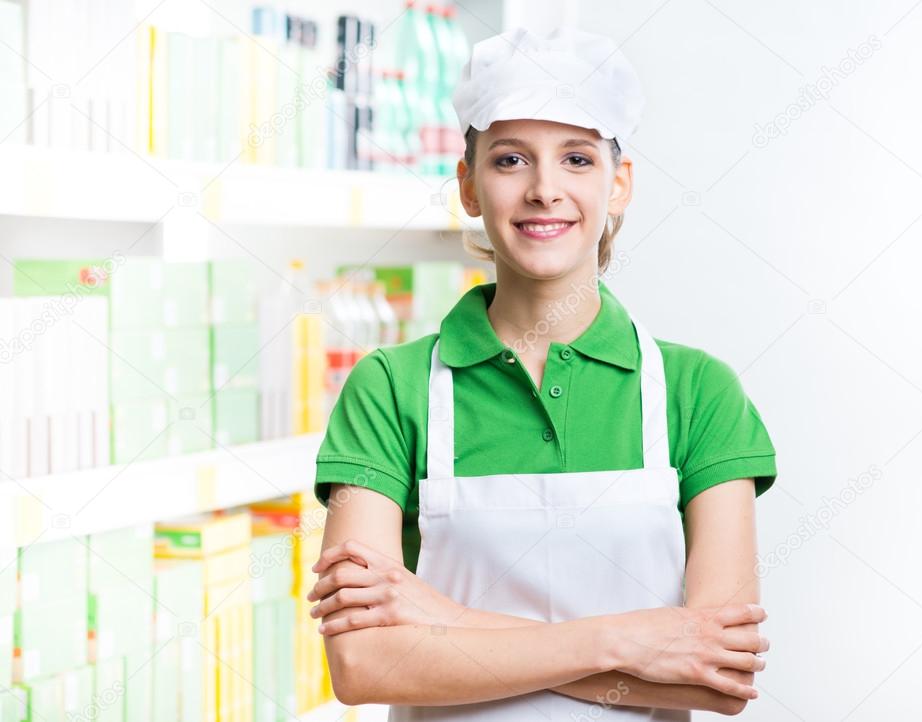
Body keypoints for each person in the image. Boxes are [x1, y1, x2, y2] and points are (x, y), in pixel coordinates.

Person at [306, 25, 777, 721]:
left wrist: (444, 619)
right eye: (510, 160)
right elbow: (363, 663)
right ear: (467, 185)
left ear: (619, 184)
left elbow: (717, 678)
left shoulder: (697, 391)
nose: (544, 190)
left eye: (578, 159)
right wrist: (628, 640)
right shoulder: (388, 388)